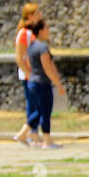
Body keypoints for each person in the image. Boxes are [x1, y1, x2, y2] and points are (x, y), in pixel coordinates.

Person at [25, 19, 63, 149]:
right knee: (45, 112)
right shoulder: (42, 47)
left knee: (39, 111)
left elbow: (29, 64)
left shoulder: (31, 46)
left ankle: (22, 133)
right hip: (42, 83)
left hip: (32, 81)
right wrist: (58, 84)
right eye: (47, 28)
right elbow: (48, 68)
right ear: (40, 31)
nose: (48, 31)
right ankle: (47, 141)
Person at [11, 4, 42, 147]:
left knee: (35, 105)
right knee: (37, 106)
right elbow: (19, 57)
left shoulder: (32, 33)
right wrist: (29, 73)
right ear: (30, 16)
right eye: (37, 13)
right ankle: (25, 133)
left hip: (34, 73)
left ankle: (32, 134)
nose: (40, 15)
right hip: (29, 74)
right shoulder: (24, 33)